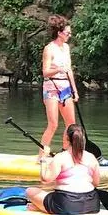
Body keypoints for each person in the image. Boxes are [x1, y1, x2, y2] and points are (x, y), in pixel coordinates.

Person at [26, 124, 102, 215]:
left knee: (30, 191)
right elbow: (96, 183)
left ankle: (40, 208)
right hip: (92, 204)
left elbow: (45, 179)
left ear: (66, 138)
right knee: (51, 193)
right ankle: (41, 207)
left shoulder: (60, 157)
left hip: (67, 204)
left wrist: (43, 158)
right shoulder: (91, 157)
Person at [38, 14, 78, 158]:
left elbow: (69, 70)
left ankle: (65, 153)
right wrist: (58, 69)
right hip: (51, 87)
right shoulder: (49, 49)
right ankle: (41, 156)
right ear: (59, 33)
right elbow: (45, 72)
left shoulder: (66, 48)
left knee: (71, 124)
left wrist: (75, 91)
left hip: (66, 87)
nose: (70, 35)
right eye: (67, 32)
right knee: (53, 124)